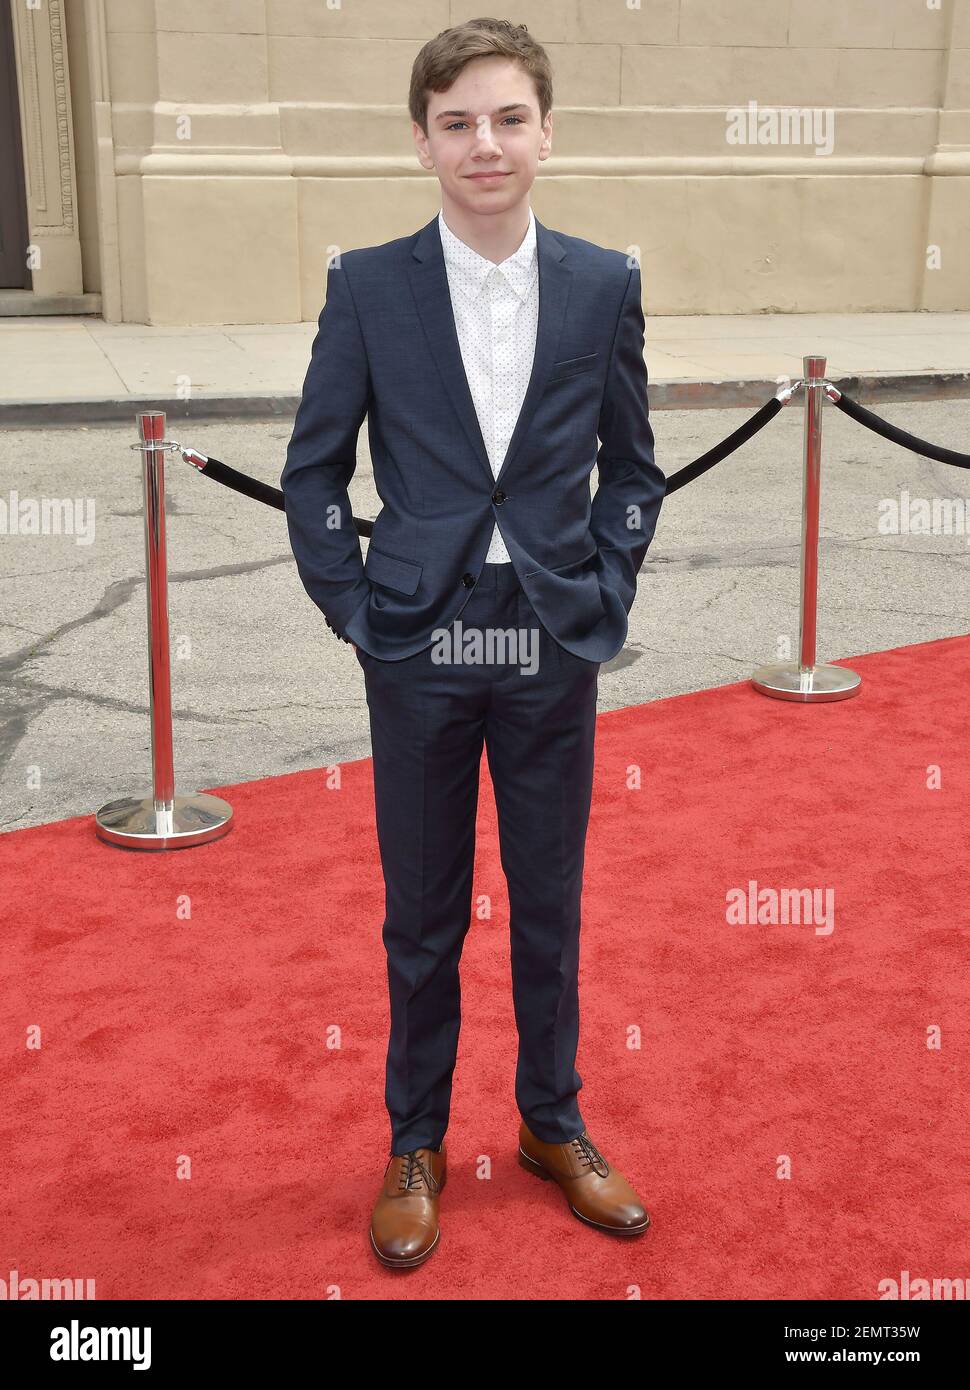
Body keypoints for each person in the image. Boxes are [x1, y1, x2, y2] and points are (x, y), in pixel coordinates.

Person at [280, 17, 666, 1270]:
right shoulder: (368, 285)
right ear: (422, 141)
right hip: (423, 638)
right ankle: (416, 1138)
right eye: (457, 122)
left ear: (545, 132)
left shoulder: (605, 280)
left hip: (551, 634)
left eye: (507, 118)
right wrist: (358, 610)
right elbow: (314, 473)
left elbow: (633, 469)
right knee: (423, 910)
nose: (483, 143)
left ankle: (553, 1124)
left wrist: (604, 579)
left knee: (549, 899)